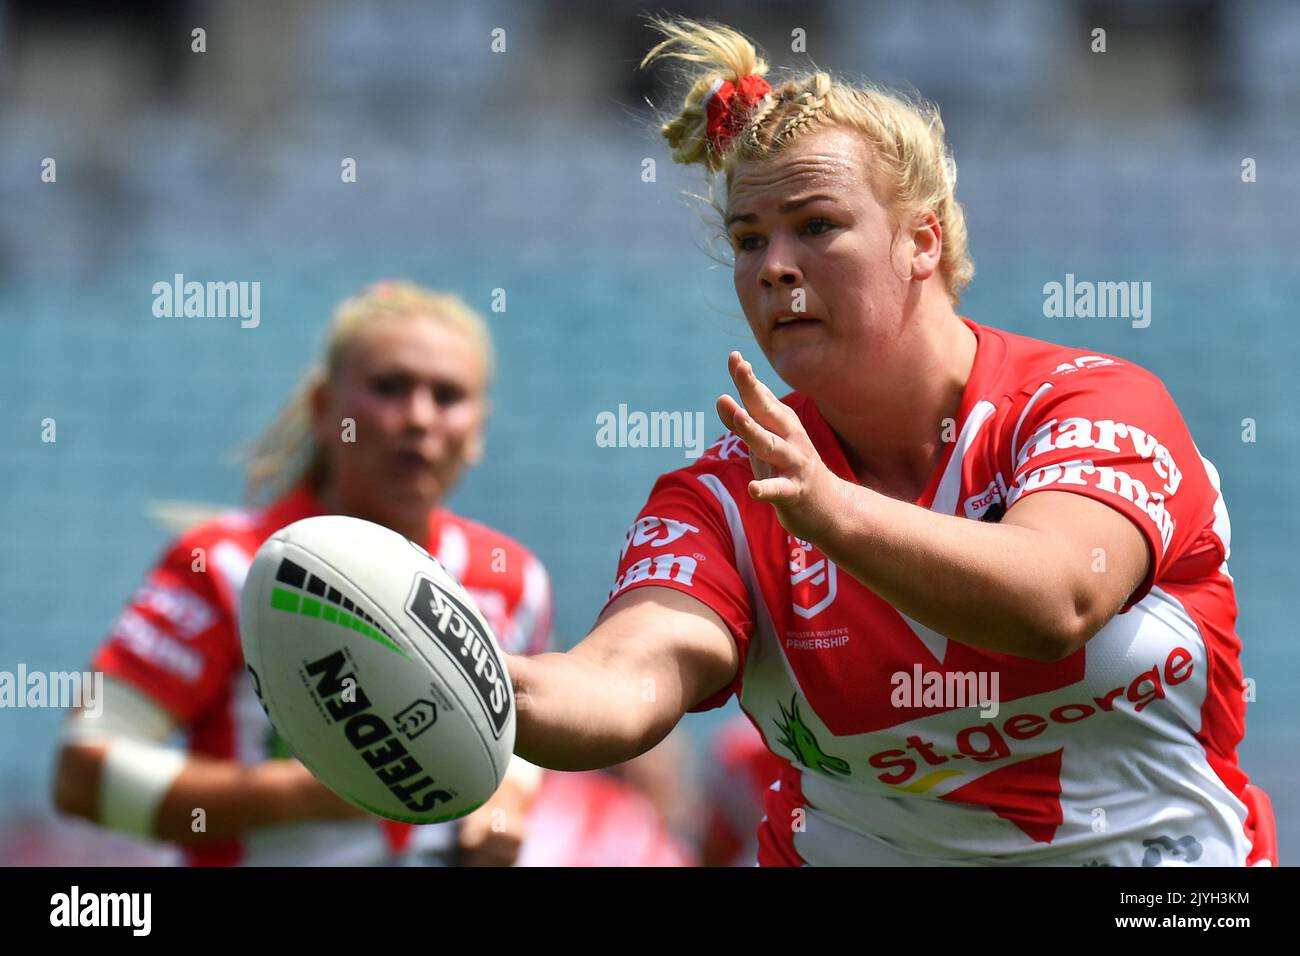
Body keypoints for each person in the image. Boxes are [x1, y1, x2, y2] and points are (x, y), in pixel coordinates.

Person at [504, 17, 1276, 866]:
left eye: (818, 226)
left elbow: (1058, 603)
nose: (773, 266)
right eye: (749, 239)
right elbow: (627, 678)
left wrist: (836, 514)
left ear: (922, 241)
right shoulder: (728, 494)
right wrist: (495, 688)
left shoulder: (1089, 404)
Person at [53, 280, 553, 866]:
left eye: (447, 396)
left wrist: (502, 808)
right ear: (324, 408)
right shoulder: (224, 565)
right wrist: (321, 788)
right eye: (389, 387)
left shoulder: (513, 581)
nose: (419, 417)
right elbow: (81, 777)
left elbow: (521, 747)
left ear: (478, 431)